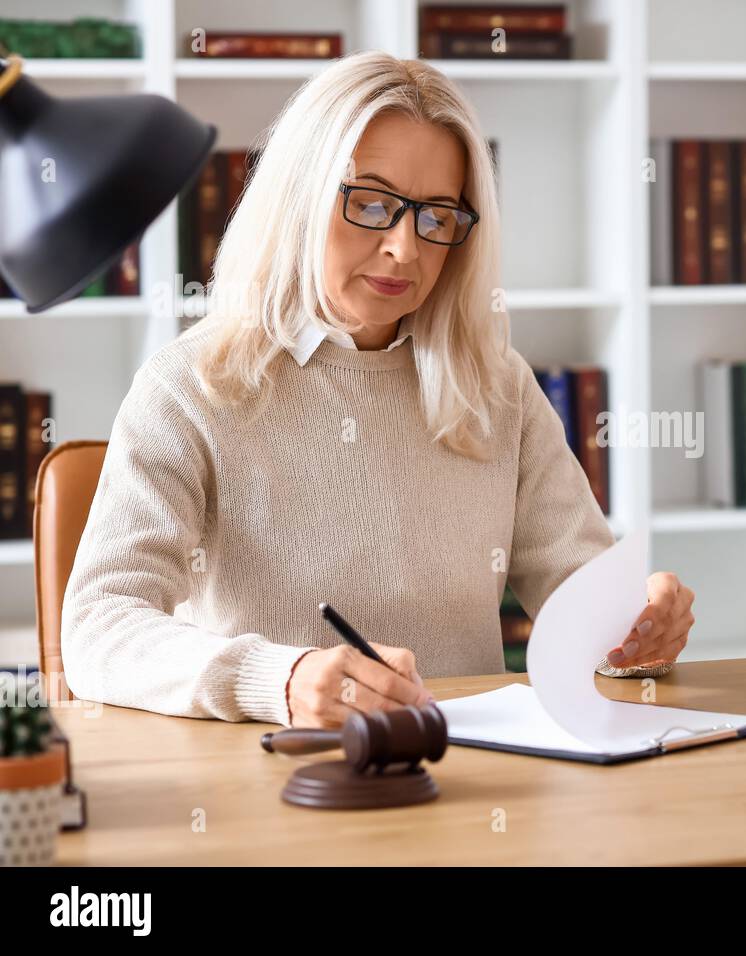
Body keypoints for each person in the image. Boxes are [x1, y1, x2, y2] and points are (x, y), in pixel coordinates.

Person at [61, 51, 695, 728]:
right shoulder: (191, 386)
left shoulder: (496, 385)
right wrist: (281, 679)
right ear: (299, 196)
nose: (404, 247)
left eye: (438, 216)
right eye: (370, 202)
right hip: (275, 783)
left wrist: (637, 628)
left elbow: (588, 605)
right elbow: (99, 630)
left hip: (481, 782)